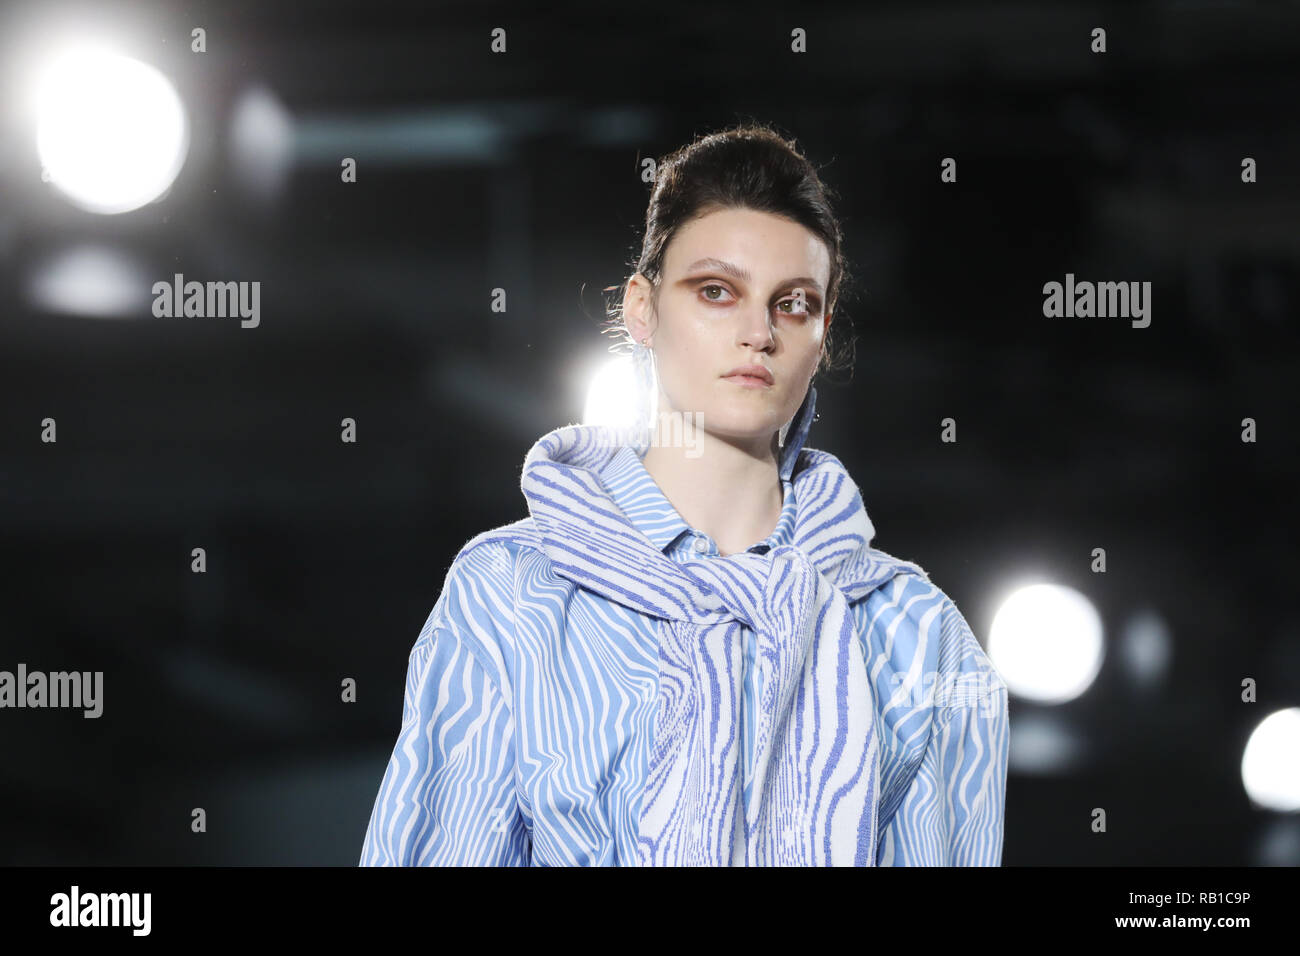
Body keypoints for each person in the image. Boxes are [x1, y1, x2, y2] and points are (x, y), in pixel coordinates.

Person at [359, 123, 1010, 866]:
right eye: (715, 291)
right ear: (642, 308)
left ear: (822, 333)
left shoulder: (918, 638)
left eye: (793, 304)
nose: (757, 332)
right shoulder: (511, 596)